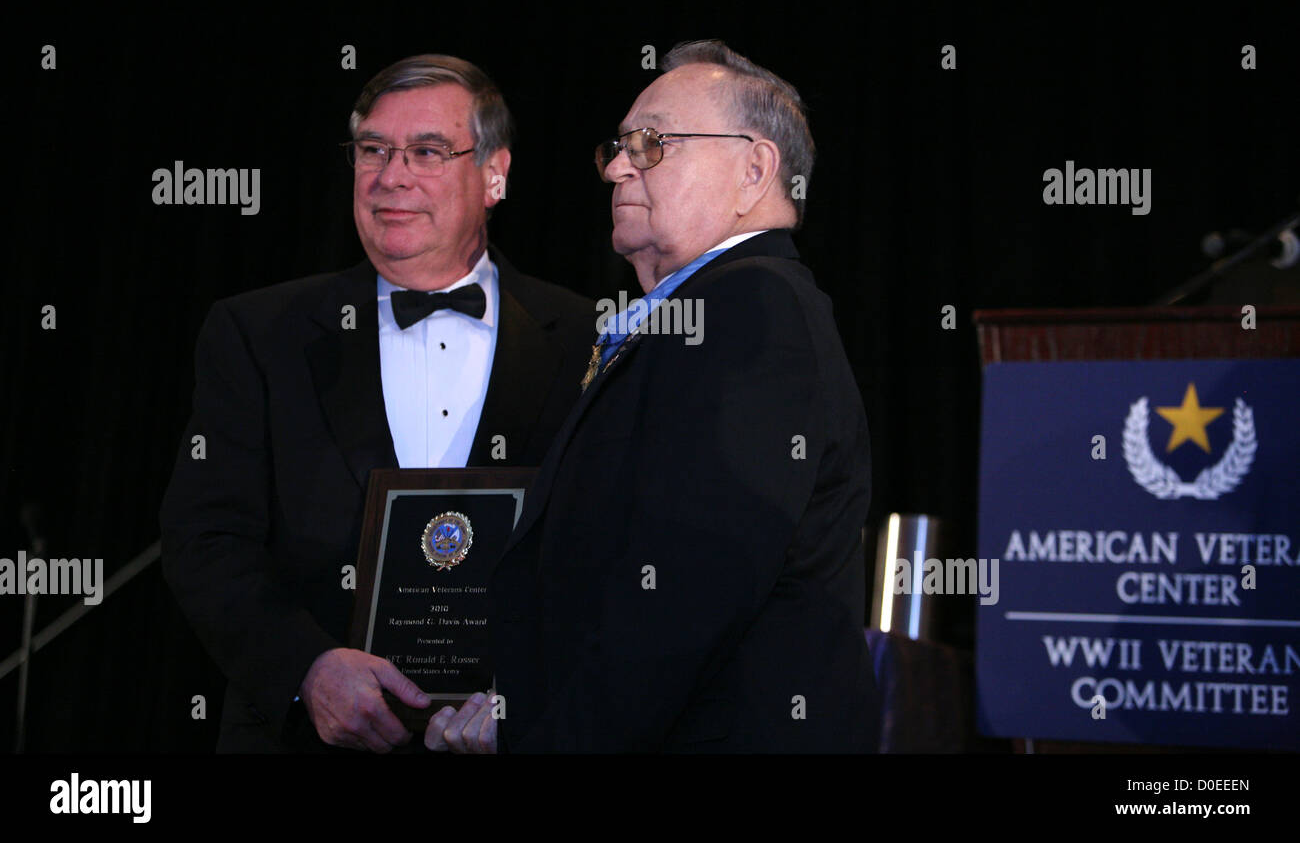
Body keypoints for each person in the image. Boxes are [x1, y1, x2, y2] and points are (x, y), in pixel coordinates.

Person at [428, 40, 880, 753]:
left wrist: (546, 739)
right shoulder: (708, 312)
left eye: (651, 143)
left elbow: (685, 587)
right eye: (617, 146)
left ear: (754, 169)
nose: (615, 165)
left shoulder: (753, 307)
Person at [160, 54, 594, 752]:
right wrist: (308, 668)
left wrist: (532, 689)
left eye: (425, 151)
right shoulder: (259, 332)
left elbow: (609, 550)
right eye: (372, 151)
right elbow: (204, 540)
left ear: (494, 174)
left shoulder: (588, 340)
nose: (391, 177)